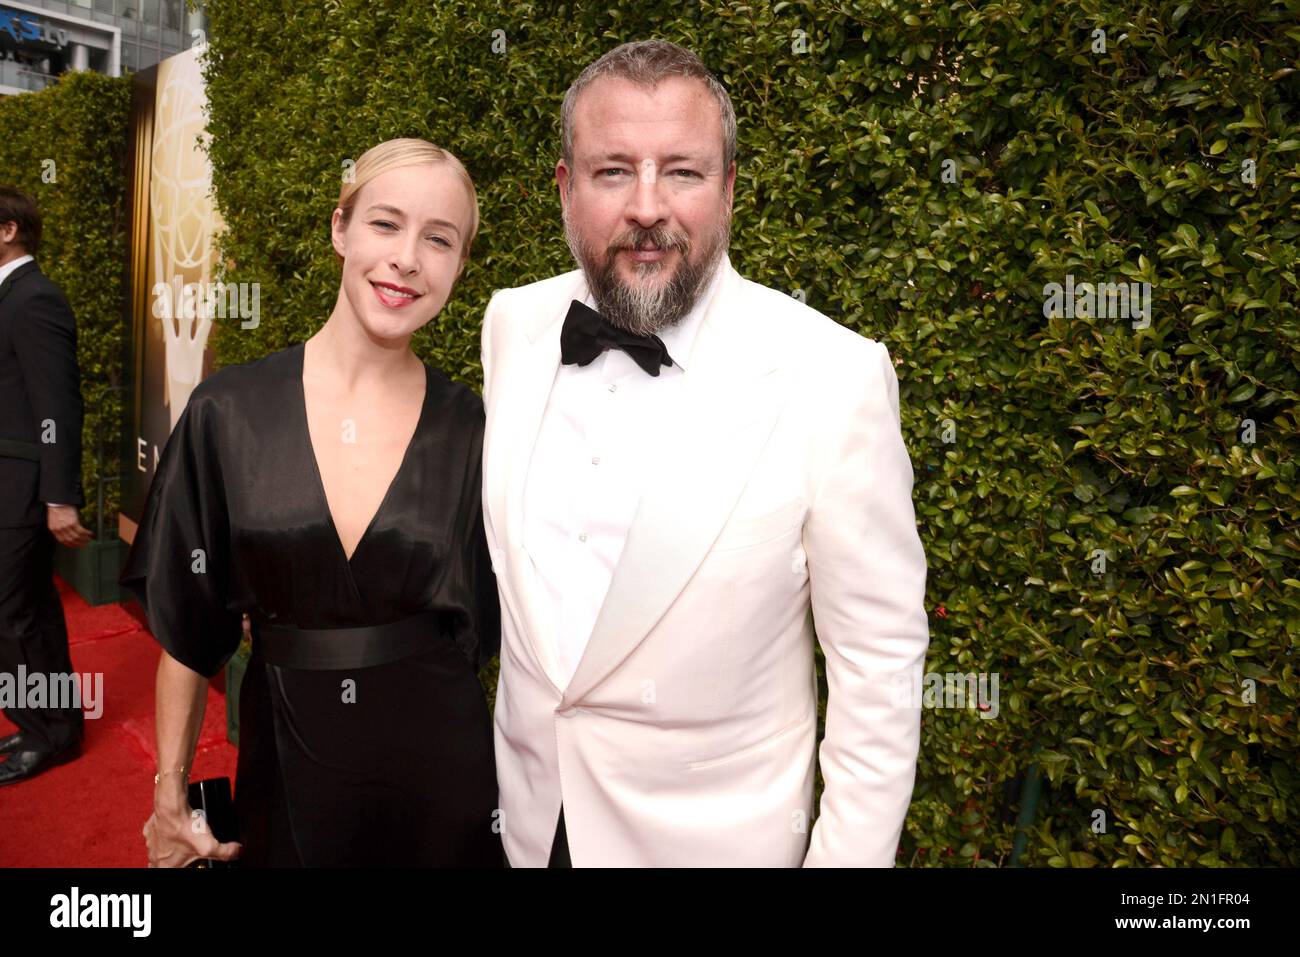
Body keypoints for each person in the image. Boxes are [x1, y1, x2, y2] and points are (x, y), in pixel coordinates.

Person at [481, 40, 931, 866]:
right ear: (564, 188)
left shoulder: (834, 376)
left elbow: (879, 672)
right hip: (529, 821)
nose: (647, 206)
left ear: (728, 190)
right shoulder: (513, 324)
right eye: (613, 171)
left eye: (682, 172)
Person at [121, 138, 502, 867]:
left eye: (439, 239)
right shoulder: (227, 412)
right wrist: (169, 793)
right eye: (385, 224)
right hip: (285, 764)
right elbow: (189, 632)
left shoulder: (476, 427)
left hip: (445, 780)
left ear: (458, 265)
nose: (407, 259)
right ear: (340, 229)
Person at [0, 186, 90, 787]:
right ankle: (49, 724)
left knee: (13, 615)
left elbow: (57, 402)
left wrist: (60, 496)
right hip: (9, 485)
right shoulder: (12, 296)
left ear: (8, 230)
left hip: (24, 490)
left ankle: (48, 732)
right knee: (28, 610)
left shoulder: (33, 299)